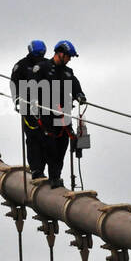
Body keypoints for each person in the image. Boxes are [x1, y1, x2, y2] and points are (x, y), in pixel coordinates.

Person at [26, 39, 86, 189]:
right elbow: (31, 86)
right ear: (60, 53)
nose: (69, 59)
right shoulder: (42, 68)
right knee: (48, 145)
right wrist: (32, 102)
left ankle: (56, 176)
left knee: (62, 145)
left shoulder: (68, 72)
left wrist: (80, 95)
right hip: (46, 115)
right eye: (68, 56)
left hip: (63, 116)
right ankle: (43, 173)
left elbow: (75, 85)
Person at [11, 40, 48, 179]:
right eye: (37, 54)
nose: (39, 57)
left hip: (45, 107)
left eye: (41, 54)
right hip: (28, 107)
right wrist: (17, 99)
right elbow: (14, 82)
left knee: (46, 139)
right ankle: (36, 169)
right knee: (33, 139)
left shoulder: (46, 65)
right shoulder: (21, 66)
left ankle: (44, 169)